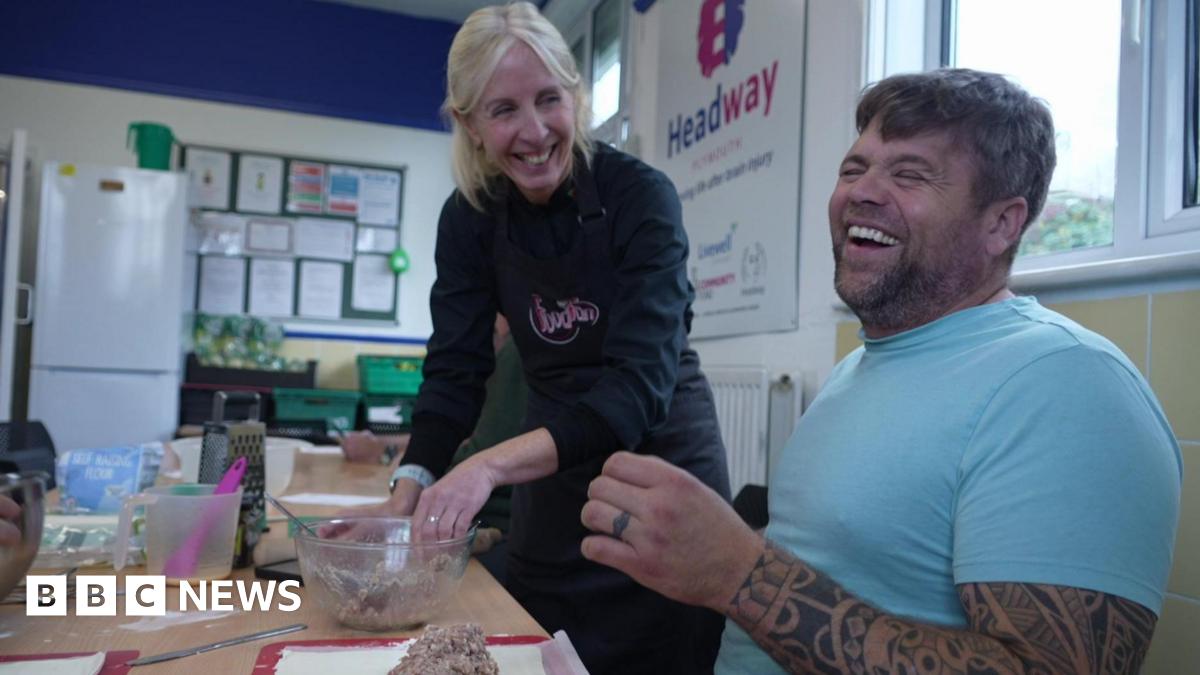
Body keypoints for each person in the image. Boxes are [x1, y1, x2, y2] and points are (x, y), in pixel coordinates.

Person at [579, 68, 1182, 675]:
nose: (861, 192)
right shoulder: (855, 371)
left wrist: (741, 574)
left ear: (1002, 223)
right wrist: (692, 549)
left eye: (909, 174)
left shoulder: (1067, 384)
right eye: (853, 169)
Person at [349, 3, 731, 673]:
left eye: (549, 99)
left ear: (576, 98)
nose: (534, 132)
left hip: (659, 480)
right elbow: (454, 372)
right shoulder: (470, 218)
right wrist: (404, 494)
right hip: (552, 492)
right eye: (503, 110)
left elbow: (634, 392)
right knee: (532, 649)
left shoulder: (641, 198)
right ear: (468, 123)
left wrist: (489, 464)